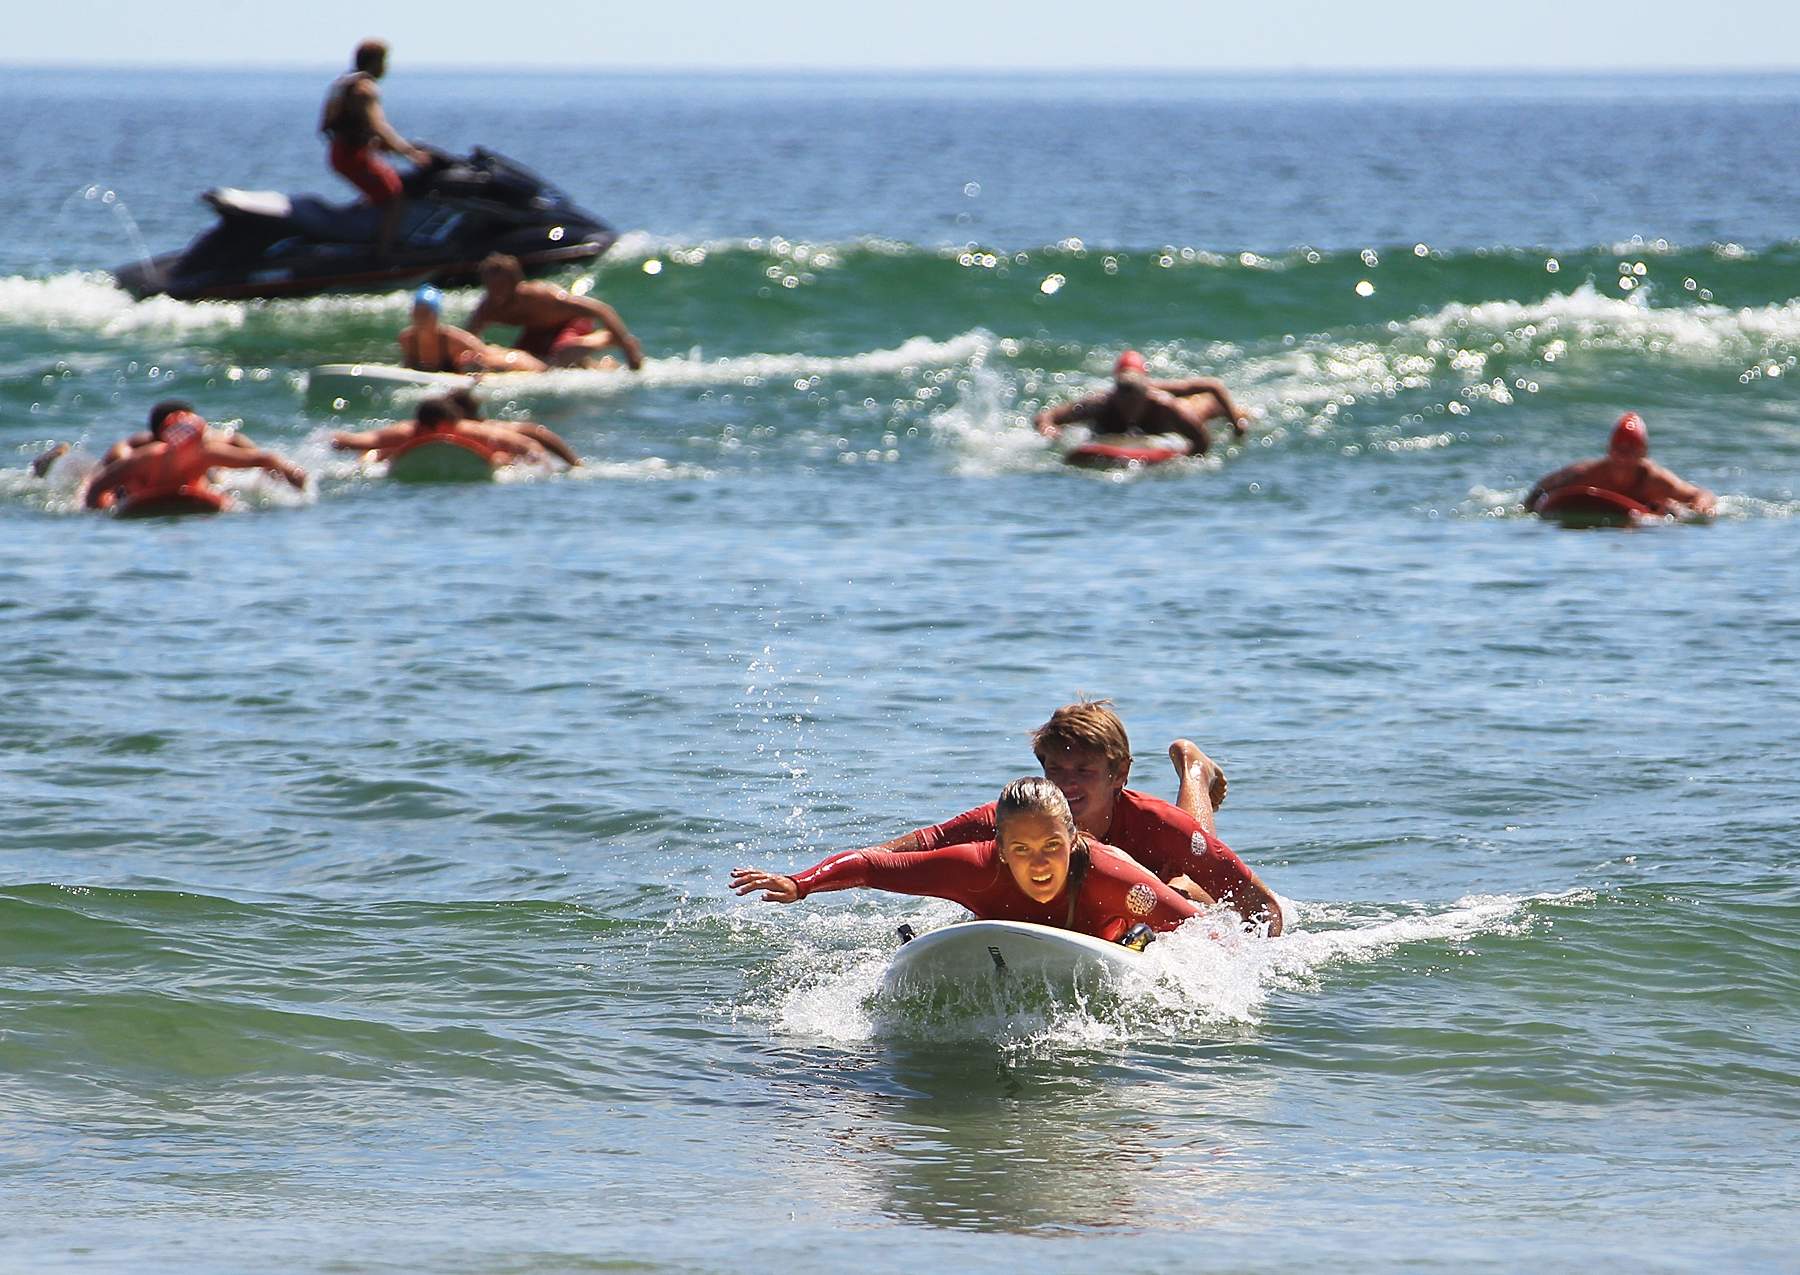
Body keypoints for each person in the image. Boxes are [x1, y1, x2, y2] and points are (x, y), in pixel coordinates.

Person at [855, 700, 1287, 935]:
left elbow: (1261, 907)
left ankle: (1194, 771)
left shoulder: (1156, 824)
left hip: (1151, 880)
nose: (1066, 785)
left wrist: (1244, 966)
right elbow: (927, 843)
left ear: (1120, 773)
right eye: (1055, 771)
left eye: (1084, 771)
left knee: (1188, 881)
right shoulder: (1021, 818)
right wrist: (854, 864)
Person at [731, 777, 1198, 943]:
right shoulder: (971, 868)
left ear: (1074, 841)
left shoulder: (1110, 878)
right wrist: (801, 884)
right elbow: (870, 867)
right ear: (998, 847)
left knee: (1175, 888)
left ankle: (1193, 776)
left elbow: (1202, 927)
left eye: (1052, 847)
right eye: (1021, 850)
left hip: (1113, 929)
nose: (1038, 865)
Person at [80, 401, 306, 511]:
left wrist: (294, 478)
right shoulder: (141, 456)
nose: (192, 449)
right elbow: (97, 486)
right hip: (140, 489)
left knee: (222, 479)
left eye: (196, 442)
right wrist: (104, 512)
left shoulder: (207, 452)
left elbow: (263, 458)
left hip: (194, 485)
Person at [319, 40, 430, 256]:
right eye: (384, 61)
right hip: (352, 156)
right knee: (395, 196)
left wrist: (383, 146)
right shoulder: (365, 89)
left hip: (340, 153)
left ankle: (366, 235)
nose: (386, 67)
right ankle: (384, 253)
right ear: (375, 62)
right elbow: (379, 126)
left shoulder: (344, 83)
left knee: (376, 193)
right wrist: (410, 153)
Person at [1035, 350, 1250, 456]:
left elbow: (1202, 441)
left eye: (1134, 400)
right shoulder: (1100, 404)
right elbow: (1048, 416)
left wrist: (1235, 422)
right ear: (1115, 394)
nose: (1128, 407)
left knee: (1208, 408)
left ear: (1144, 395)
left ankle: (1241, 412)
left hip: (1201, 407)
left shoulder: (1165, 405)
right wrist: (1049, 428)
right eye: (1123, 399)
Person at [466, 253, 646, 371]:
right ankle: (603, 366)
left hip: (572, 322)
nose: (496, 292)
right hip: (538, 330)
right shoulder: (488, 307)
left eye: (501, 286)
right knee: (531, 363)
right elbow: (469, 338)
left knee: (562, 356)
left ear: (514, 282)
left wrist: (627, 345)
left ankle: (606, 338)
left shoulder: (542, 297)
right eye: (491, 287)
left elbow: (601, 310)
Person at [1526, 412, 1717, 517]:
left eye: (1631, 450)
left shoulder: (1654, 479)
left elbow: (1700, 494)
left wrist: (1700, 508)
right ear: (1609, 450)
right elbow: (1542, 487)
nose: (1623, 457)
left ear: (1643, 453)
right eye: (1618, 449)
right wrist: (1532, 508)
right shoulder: (1588, 474)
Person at [330, 394, 564, 467]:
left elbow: (531, 444)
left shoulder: (470, 431)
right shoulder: (406, 433)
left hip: (480, 461)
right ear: (421, 427)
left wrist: (511, 463)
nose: (447, 437)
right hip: (406, 458)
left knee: (503, 457)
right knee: (375, 455)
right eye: (441, 431)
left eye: (450, 430)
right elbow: (356, 440)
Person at [399, 286, 540, 374]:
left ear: (436, 316)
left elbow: (486, 359)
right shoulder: (407, 339)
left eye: (426, 314)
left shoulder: (455, 341)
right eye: (417, 313)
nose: (421, 318)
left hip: (499, 358)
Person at [444, 388, 581, 466]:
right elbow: (538, 431)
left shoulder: (490, 428)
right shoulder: (488, 427)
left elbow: (536, 432)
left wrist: (573, 462)